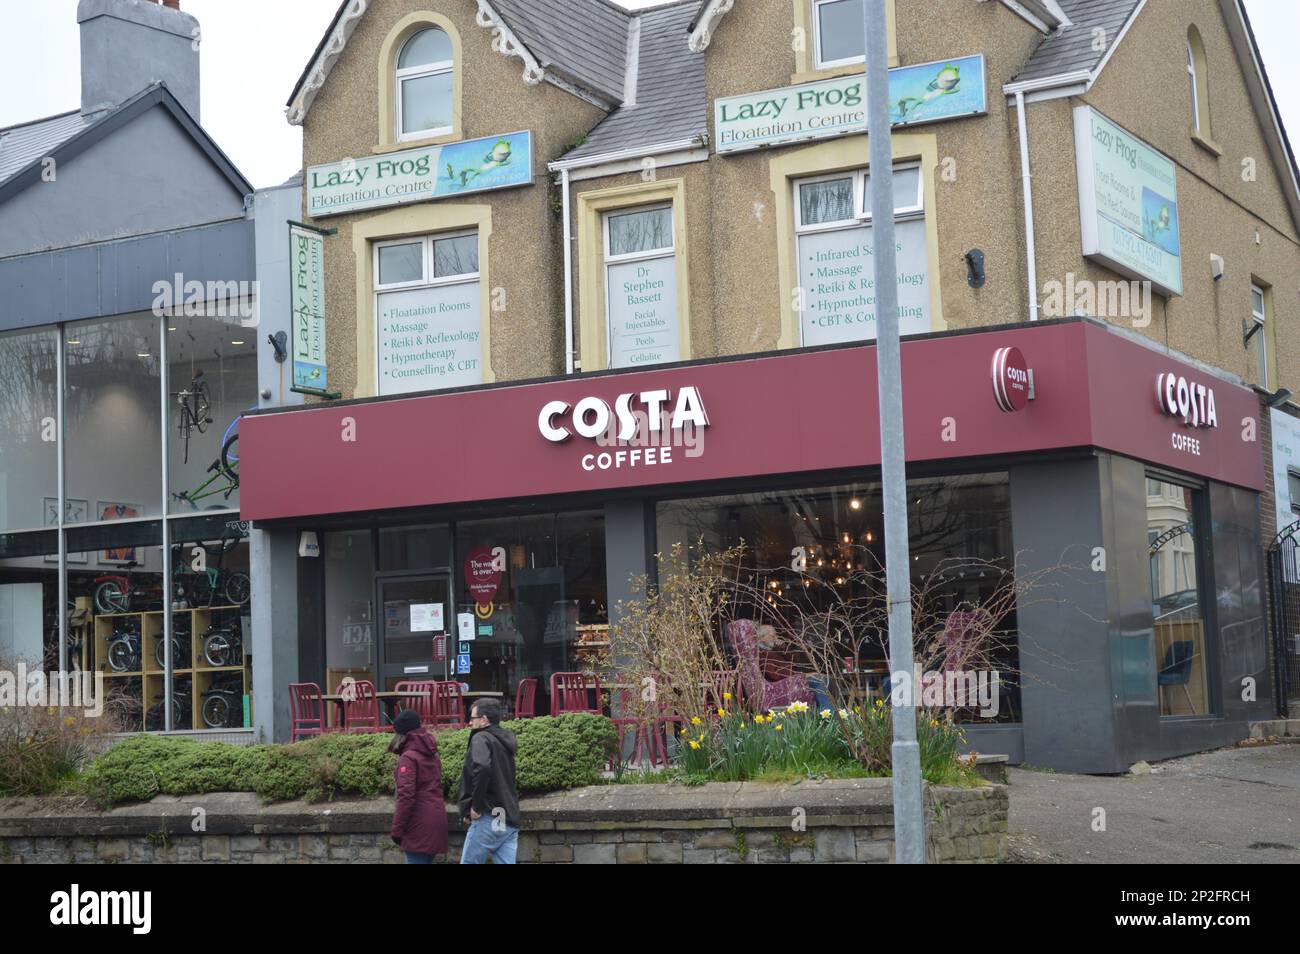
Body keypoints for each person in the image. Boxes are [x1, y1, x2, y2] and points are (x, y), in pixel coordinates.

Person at [457, 698, 521, 864]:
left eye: (472, 718)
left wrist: (475, 806)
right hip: (506, 817)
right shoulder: (505, 740)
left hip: (488, 816)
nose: (470, 723)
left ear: (484, 719)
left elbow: (482, 768)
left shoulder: (481, 738)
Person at [390, 708, 448, 864]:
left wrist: (397, 830)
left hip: (419, 827)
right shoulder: (431, 752)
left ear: (401, 734)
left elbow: (406, 797)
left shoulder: (408, 758)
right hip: (436, 820)